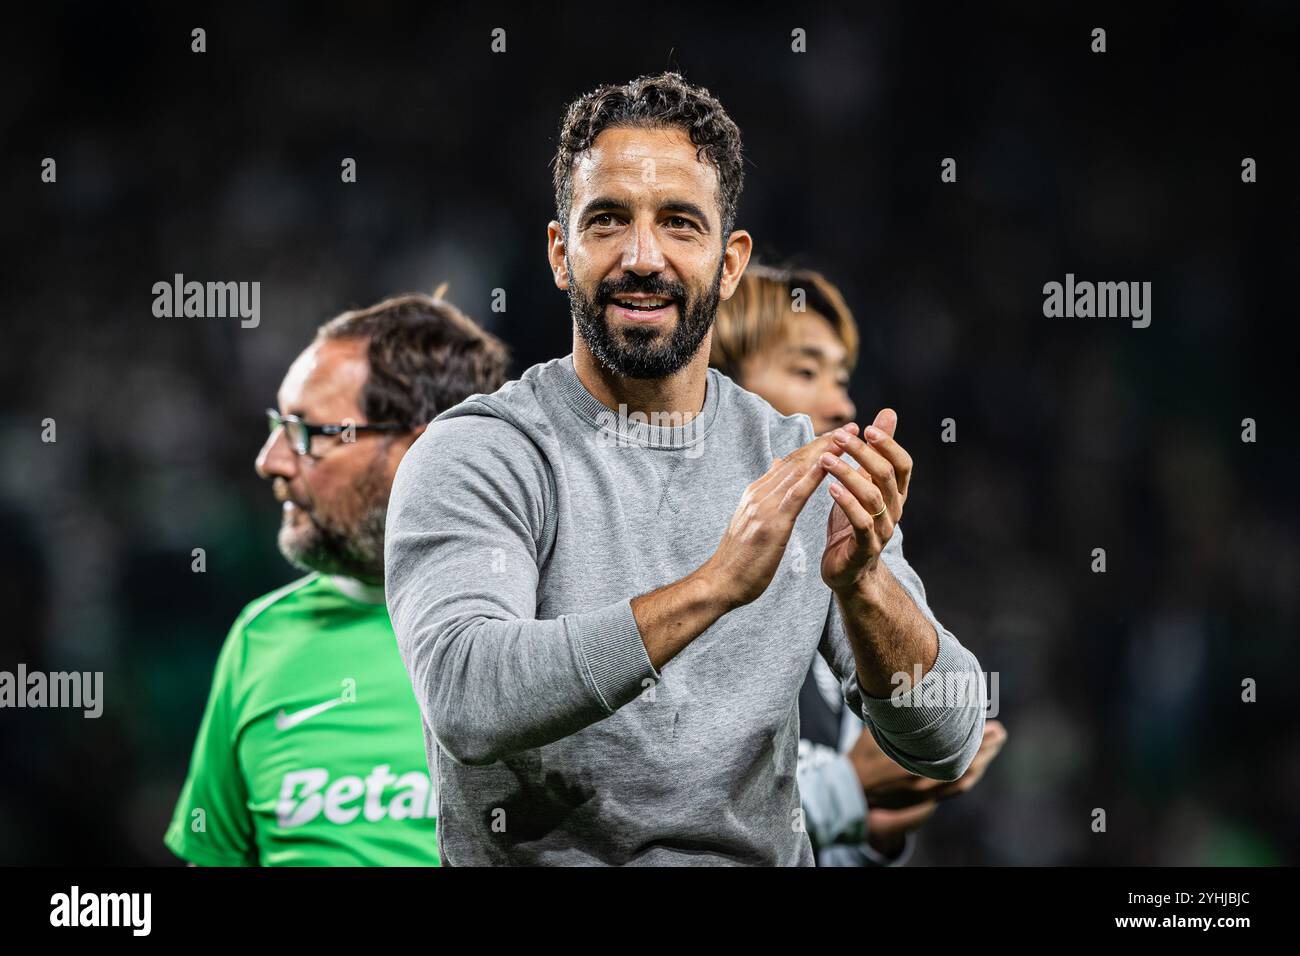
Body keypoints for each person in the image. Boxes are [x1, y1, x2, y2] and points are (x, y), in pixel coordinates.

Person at [386, 72, 988, 866]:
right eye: (607, 222)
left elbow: (946, 738)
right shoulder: (482, 454)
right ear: (560, 254)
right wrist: (714, 586)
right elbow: (467, 695)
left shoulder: (796, 461)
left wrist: (865, 584)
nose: (643, 257)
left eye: (679, 223)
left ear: (730, 263)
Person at [165, 292, 508, 865]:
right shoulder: (260, 641)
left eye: (310, 432)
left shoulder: (556, 627)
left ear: (430, 453)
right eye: (279, 424)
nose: (270, 460)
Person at [713, 263, 1007, 865]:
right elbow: (646, 810)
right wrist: (847, 788)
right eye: (805, 370)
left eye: (842, 378)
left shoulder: (832, 580)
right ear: (716, 382)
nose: (840, 402)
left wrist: (879, 825)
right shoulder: (662, 565)